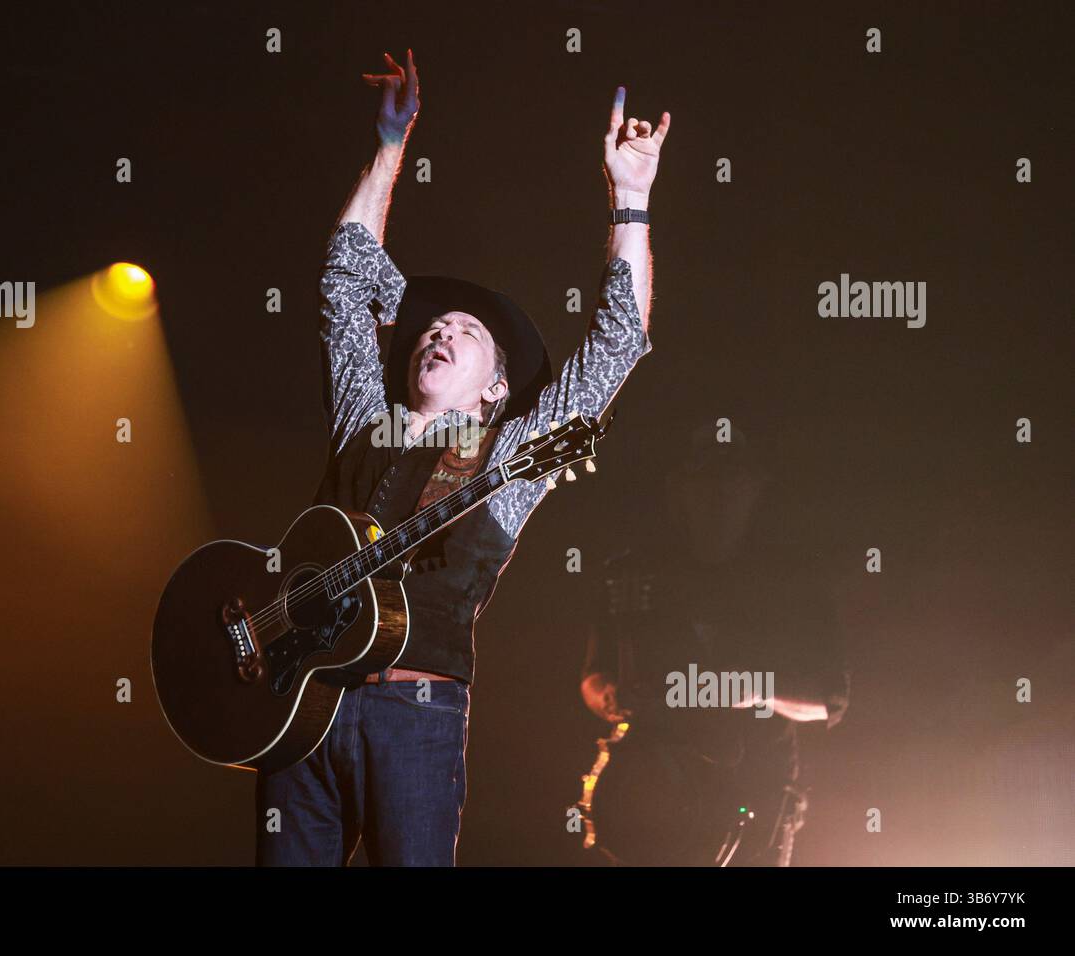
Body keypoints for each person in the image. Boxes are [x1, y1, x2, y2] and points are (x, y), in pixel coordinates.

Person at [255, 49, 670, 865]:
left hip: (414, 714)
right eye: (434, 326)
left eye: (468, 333)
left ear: (494, 388)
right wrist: (388, 145)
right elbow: (345, 282)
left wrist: (632, 200)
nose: (443, 329)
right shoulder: (363, 422)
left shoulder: (508, 453)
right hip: (299, 708)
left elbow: (619, 343)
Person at [579, 424, 852, 865]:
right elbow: (593, 677)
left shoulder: (794, 584)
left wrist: (756, 691)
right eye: (705, 480)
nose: (719, 494)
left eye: (732, 480)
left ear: (756, 488)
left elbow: (829, 700)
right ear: (680, 488)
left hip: (754, 806)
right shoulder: (634, 573)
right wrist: (613, 697)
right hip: (656, 805)